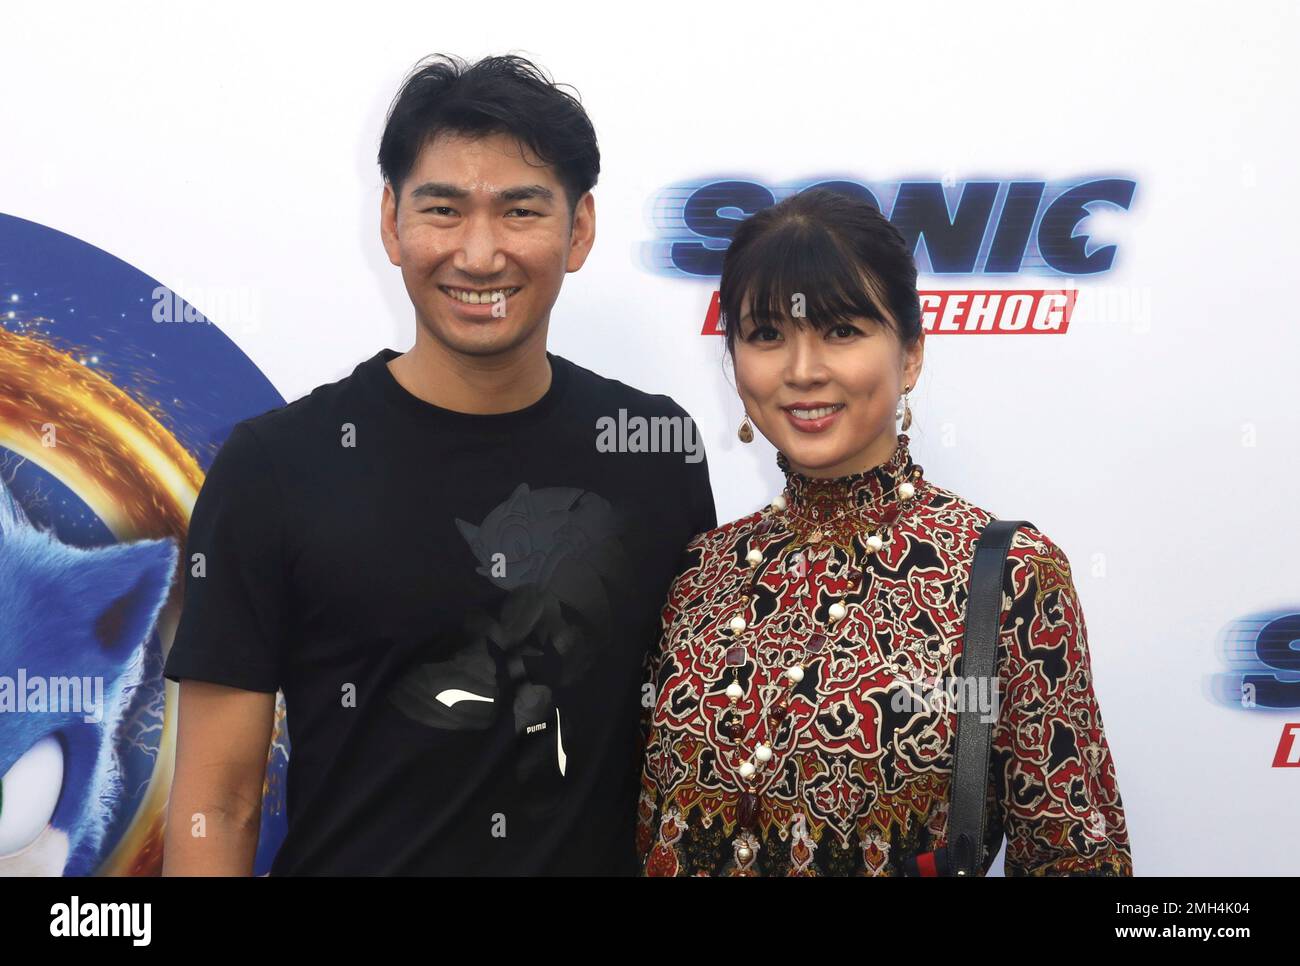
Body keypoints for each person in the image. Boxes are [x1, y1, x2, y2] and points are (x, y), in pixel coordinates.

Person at [162, 53, 716, 875]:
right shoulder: (274, 468)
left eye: (521, 211)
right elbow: (218, 802)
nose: (480, 254)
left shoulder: (653, 448)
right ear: (390, 222)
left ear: (581, 229)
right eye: (443, 210)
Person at [636, 187, 1132, 876]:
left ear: (910, 355)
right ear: (735, 363)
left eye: (842, 331)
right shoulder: (700, 569)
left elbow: (1077, 860)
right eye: (767, 335)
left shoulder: (1010, 576)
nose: (803, 370)